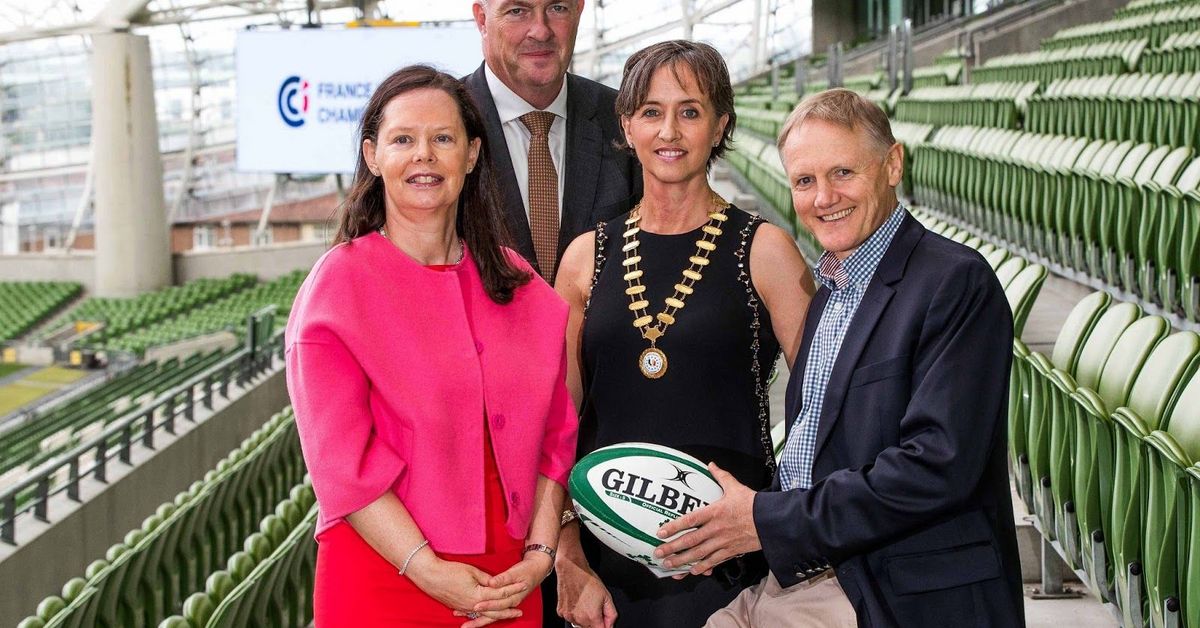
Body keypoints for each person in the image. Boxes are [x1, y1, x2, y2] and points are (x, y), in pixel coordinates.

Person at [654, 88, 1026, 627]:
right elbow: (817, 448)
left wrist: (766, 519)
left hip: (896, 585)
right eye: (805, 181)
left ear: (892, 164)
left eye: (843, 173)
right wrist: (728, 527)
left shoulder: (953, 281)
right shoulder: (831, 288)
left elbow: (937, 466)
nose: (823, 197)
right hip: (816, 568)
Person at [285, 65, 578, 627]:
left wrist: (541, 556)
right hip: (384, 573)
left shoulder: (515, 279)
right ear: (373, 156)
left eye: (442, 139)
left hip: (506, 580)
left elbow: (555, 436)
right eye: (403, 140)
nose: (424, 155)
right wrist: (428, 571)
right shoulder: (337, 287)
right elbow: (341, 464)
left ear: (470, 155)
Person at [552, 41, 815, 628]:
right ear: (626, 123)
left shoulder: (766, 249)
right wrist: (567, 548)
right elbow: (555, 425)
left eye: (690, 111)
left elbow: (827, 409)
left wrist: (775, 517)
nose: (669, 130)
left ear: (720, 123)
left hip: (727, 558)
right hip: (606, 565)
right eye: (650, 111)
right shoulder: (584, 258)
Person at [465, 0, 641, 283]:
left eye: (557, 8)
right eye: (517, 11)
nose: (540, 31)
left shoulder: (625, 121)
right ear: (482, 19)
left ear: (579, 11)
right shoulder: (441, 125)